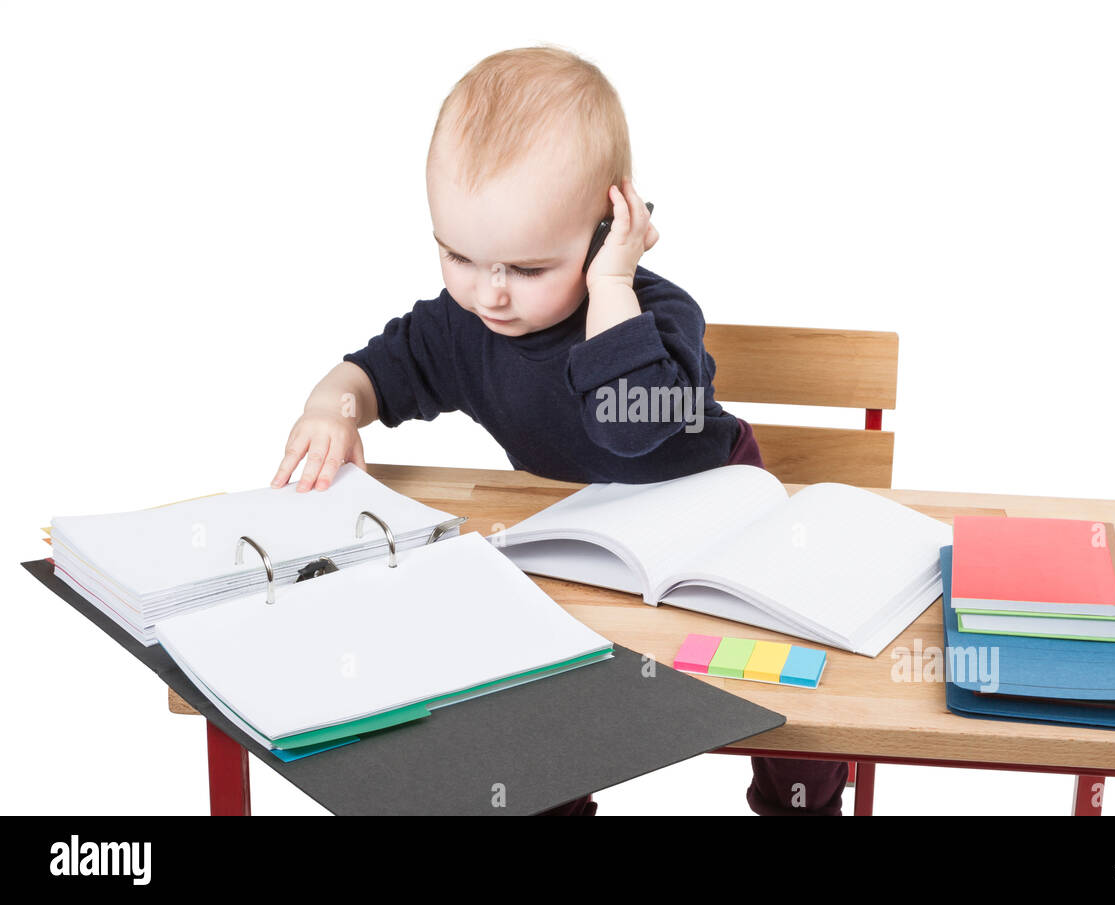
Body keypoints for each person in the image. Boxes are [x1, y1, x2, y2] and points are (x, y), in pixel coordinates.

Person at [271, 45, 846, 816]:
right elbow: (370, 372)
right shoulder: (463, 325)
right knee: (526, 682)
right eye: (459, 255)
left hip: (719, 514)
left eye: (528, 268)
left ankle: (799, 799)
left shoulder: (658, 315)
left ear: (609, 227)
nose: (490, 293)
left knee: (772, 686)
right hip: (589, 536)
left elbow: (626, 425)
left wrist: (610, 282)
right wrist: (329, 408)